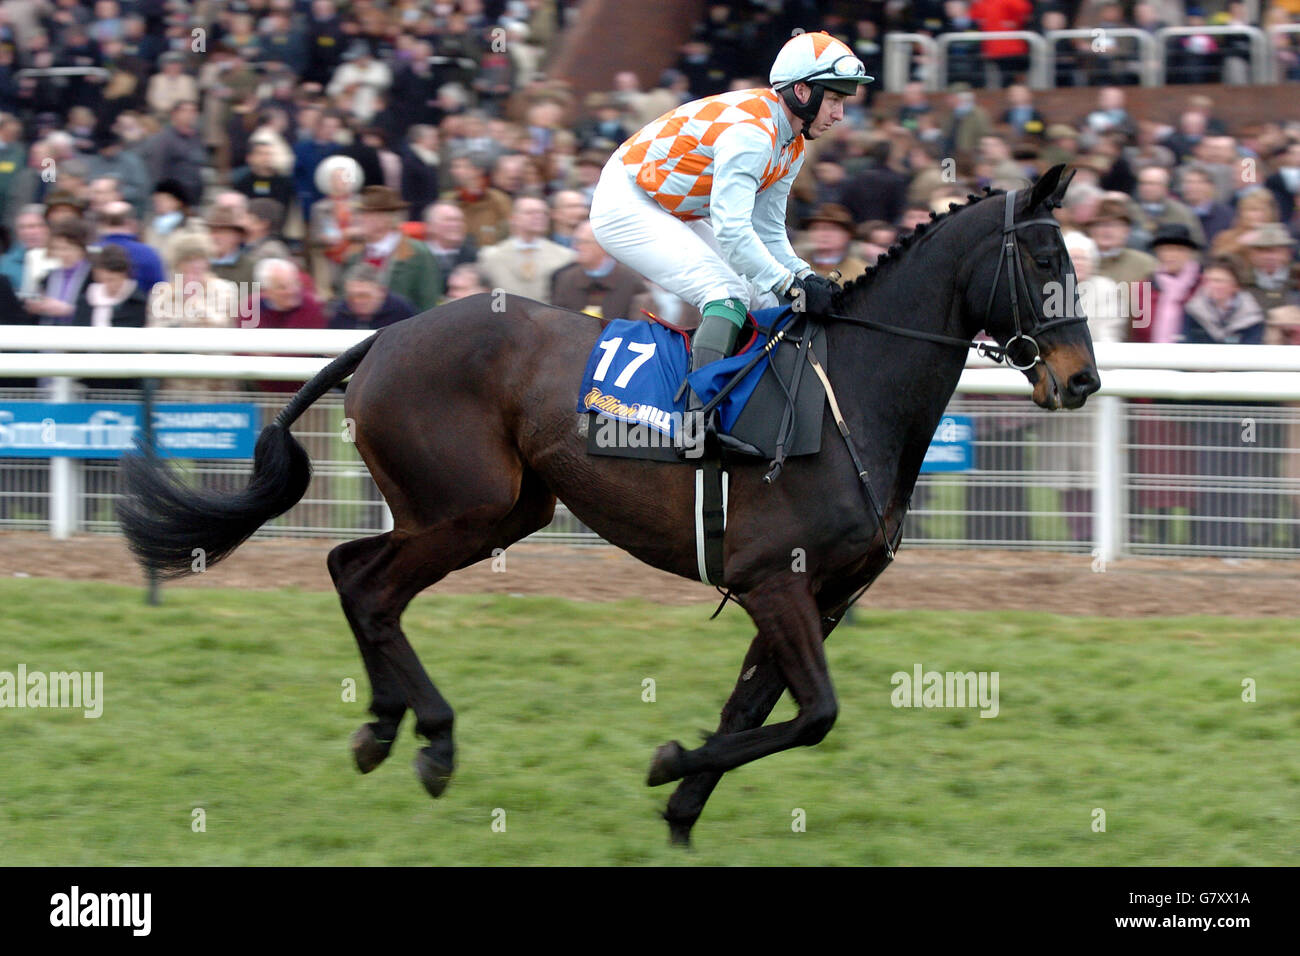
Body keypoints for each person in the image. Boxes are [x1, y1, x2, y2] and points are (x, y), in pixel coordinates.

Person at [589, 30, 869, 415]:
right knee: (727, 295)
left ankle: (755, 403)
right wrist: (791, 285)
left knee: (763, 295)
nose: (840, 114)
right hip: (627, 202)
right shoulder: (754, 134)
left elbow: (768, 231)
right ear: (803, 93)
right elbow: (734, 232)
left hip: (673, 207)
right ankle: (696, 417)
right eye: (835, 100)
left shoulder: (793, 143)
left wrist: (803, 277)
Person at [476, 196, 575, 302]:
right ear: (513, 218)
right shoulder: (490, 256)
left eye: (544, 213)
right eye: (530, 213)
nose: (539, 217)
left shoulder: (566, 256)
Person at [550, 220, 648, 318]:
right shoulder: (565, 278)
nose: (575, 247)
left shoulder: (631, 279)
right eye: (575, 241)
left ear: (602, 244)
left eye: (583, 242)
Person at [329, 262, 414, 329]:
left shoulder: (402, 313)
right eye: (351, 296)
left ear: (382, 292)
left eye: (364, 295)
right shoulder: (339, 313)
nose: (357, 301)